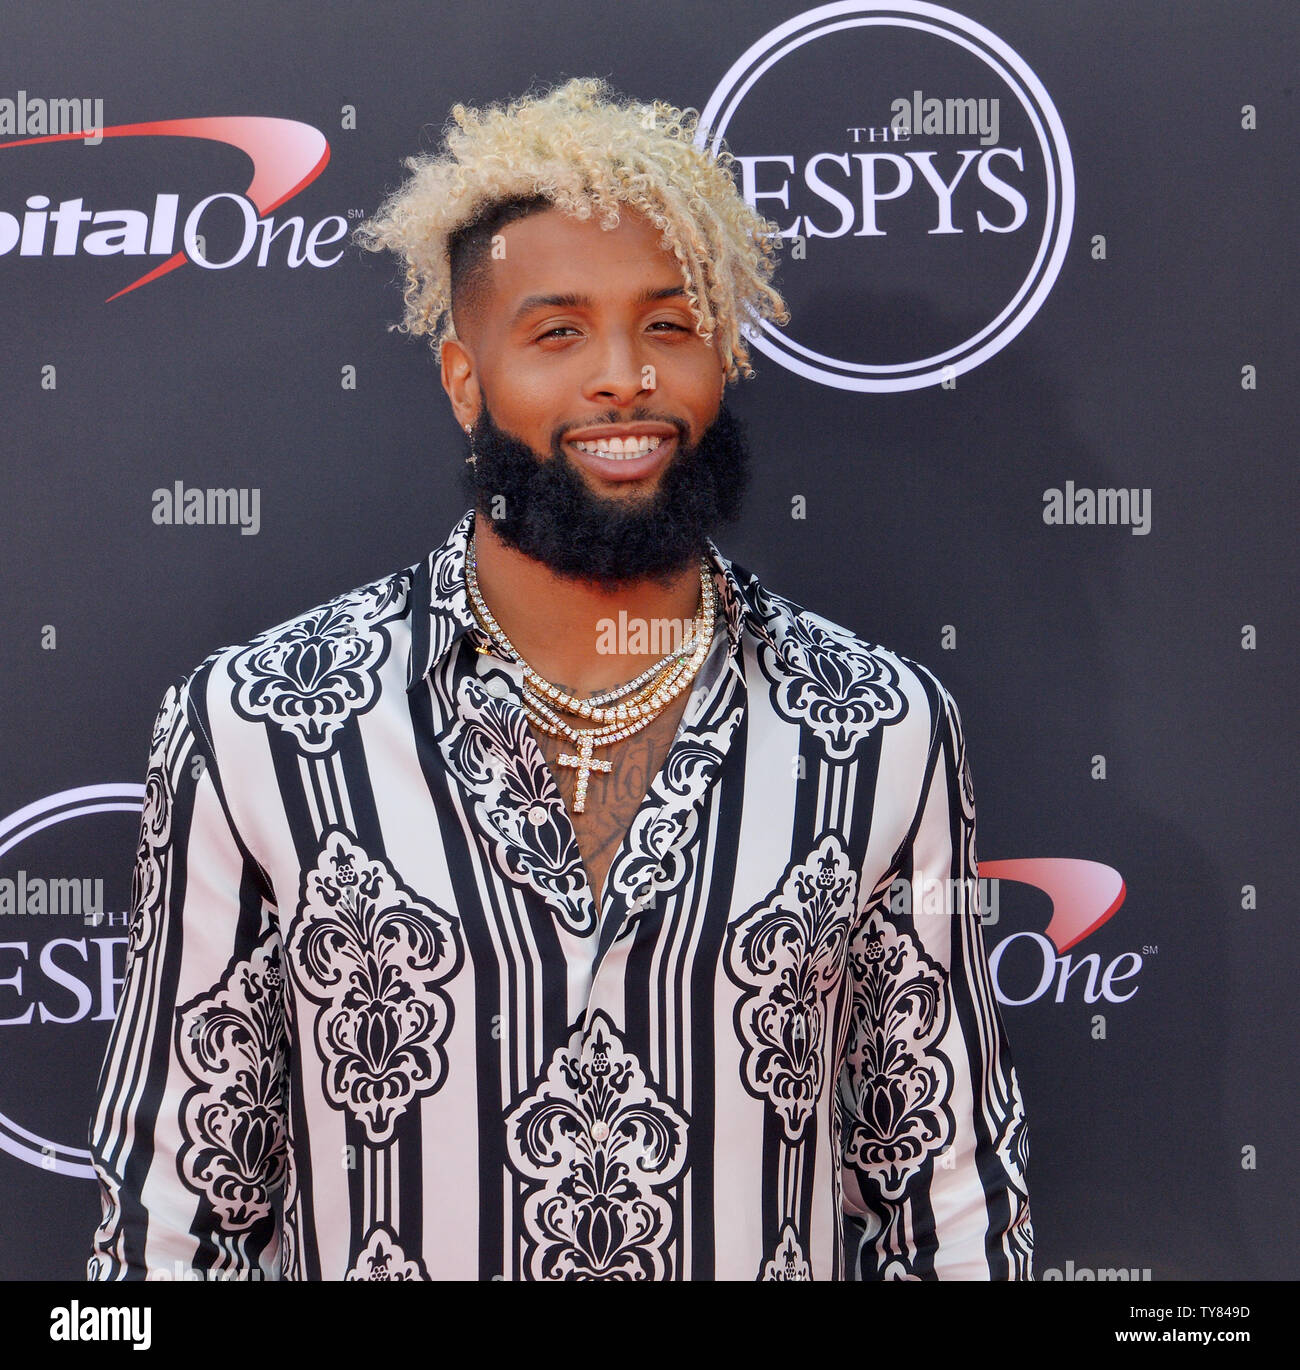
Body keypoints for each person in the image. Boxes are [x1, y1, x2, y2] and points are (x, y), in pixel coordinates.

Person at [86, 76, 1032, 1281]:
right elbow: (178, 1203)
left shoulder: (882, 726)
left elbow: (942, 1186)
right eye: (557, 332)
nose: (623, 378)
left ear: (722, 358)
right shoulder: (259, 721)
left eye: (671, 324)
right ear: (462, 378)